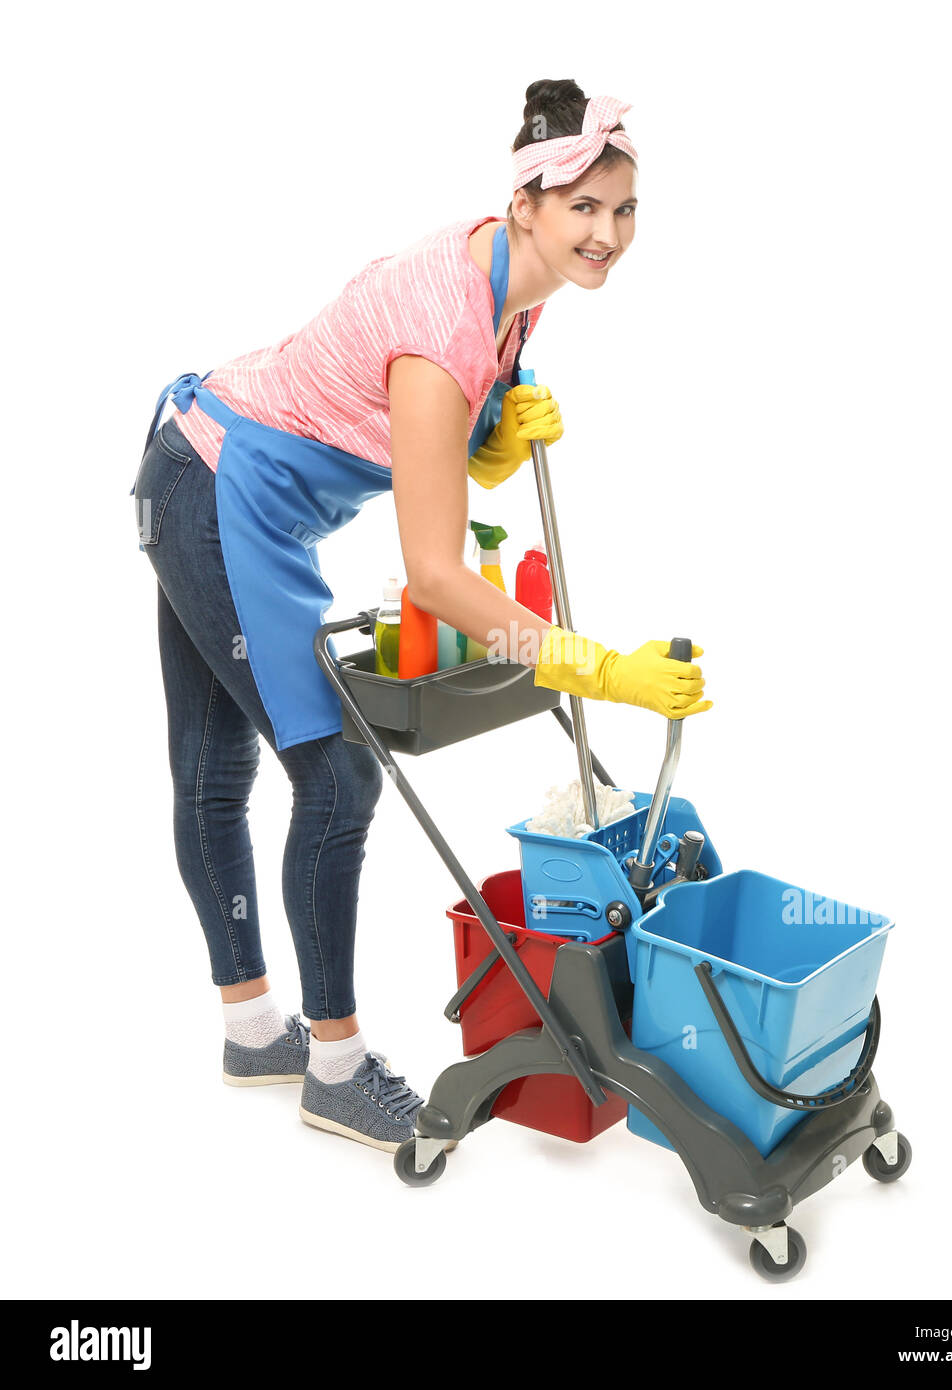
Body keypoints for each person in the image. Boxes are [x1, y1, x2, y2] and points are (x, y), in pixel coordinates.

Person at [130, 78, 712, 1156]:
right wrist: (602, 670)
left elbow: (436, 457)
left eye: (624, 210)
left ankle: (255, 1031)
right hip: (217, 488)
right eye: (583, 208)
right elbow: (437, 575)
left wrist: (491, 437)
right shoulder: (453, 314)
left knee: (220, 770)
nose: (609, 234)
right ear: (528, 202)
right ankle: (333, 1065)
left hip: (228, 481)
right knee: (331, 775)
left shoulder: (513, 286)